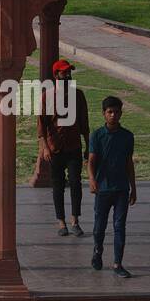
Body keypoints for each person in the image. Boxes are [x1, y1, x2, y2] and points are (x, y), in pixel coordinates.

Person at [39, 59, 90, 237]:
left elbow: (84, 123)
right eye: (64, 73)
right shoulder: (48, 96)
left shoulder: (78, 95)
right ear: (56, 76)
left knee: (76, 183)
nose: (67, 76)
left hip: (74, 145)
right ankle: (61, 222)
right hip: (55, 147)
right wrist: (45, 147)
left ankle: (75, 219)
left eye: (69, 73)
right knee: (58, 185)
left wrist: (88, 146)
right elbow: (42, 124)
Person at [89, 95, 136, 278]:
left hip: (121, 189)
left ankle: (118, 263)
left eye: (116, 112)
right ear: (104, 114)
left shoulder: (127, 136)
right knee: (99, 227)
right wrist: (92, 180)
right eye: (110, 112)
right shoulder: (98, 135)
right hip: (103, 188)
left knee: (119, 226)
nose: (113, 115)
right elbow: (91, 161)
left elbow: (129, 163)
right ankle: (98, 250)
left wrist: (133, 187)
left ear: (121, 113)